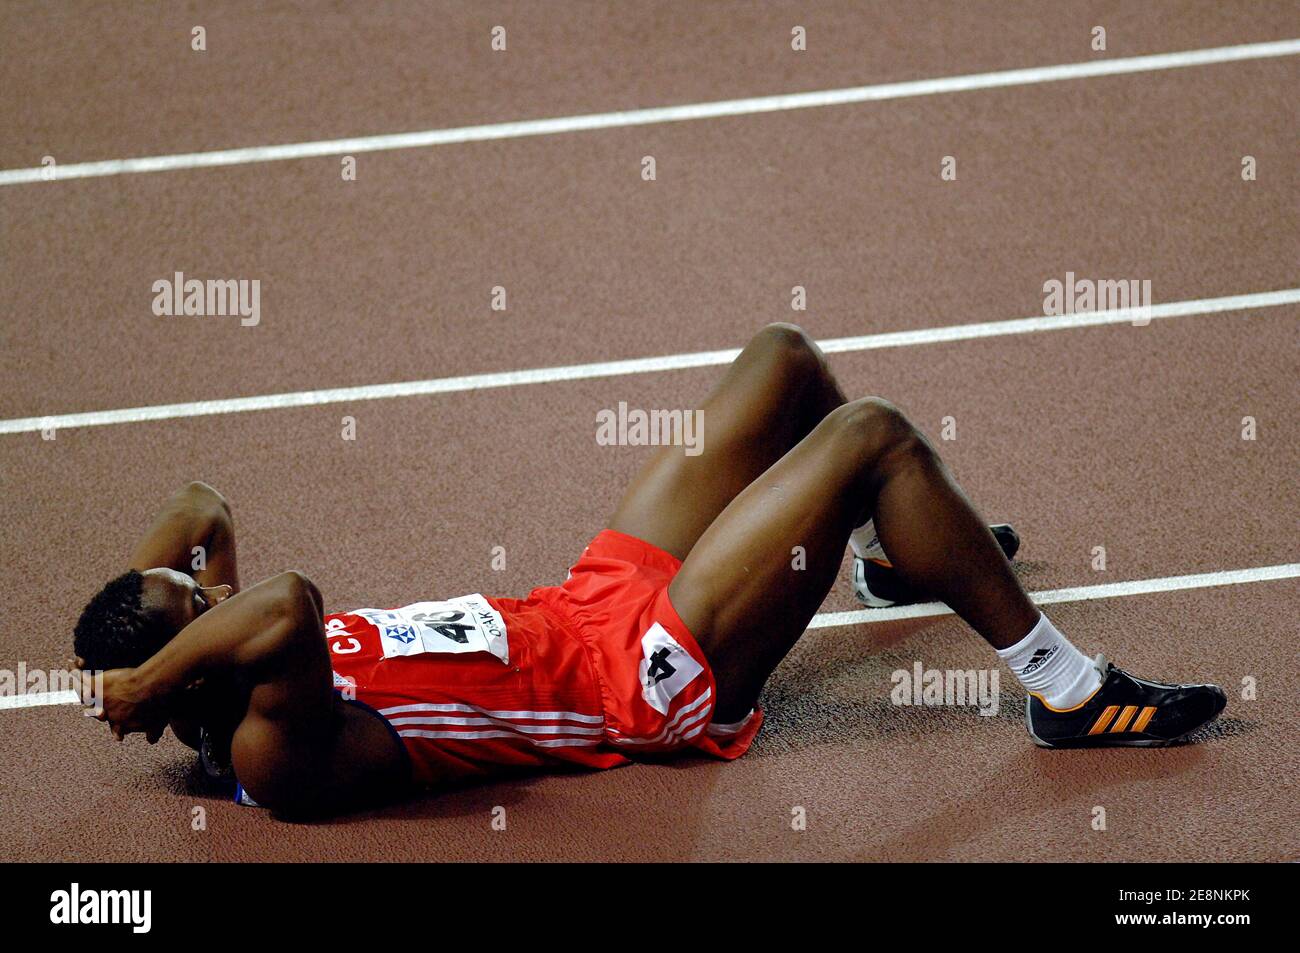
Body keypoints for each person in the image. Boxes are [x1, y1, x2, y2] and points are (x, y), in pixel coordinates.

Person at [73, 324, 1227, 818]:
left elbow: (201, 503)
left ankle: (887, 562)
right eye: (196, 605)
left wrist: (146, 634)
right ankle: (1067, 689)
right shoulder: (273, 748)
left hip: (589, 602)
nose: (216, 587)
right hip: (642, 678)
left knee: (780, 364)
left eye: (197, 589)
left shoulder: (216, 655)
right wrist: (146, 675)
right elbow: (284, 604)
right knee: (869, 434)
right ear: (188, 681)